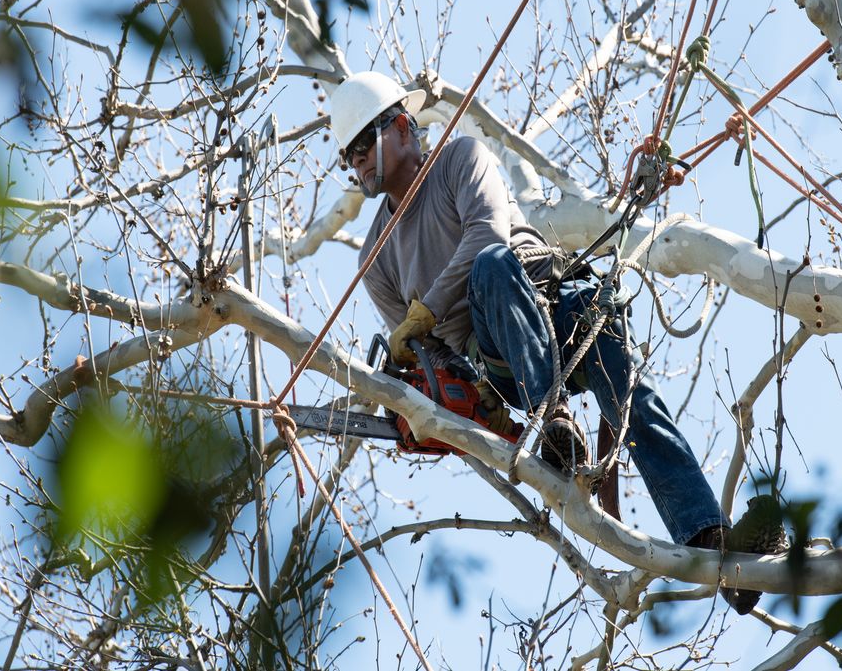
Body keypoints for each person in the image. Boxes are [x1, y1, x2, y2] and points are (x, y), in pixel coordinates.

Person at [329, 71, 777, 614]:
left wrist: (427, 308)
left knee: (634, 403)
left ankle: (716, 548)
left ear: (402, 126)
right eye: (348, 157)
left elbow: (489, 232)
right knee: (490, 277)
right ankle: (554, 419)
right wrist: (448, 401)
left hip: (556, 299)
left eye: (362, 147)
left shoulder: (460, 160)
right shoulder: (375, 256)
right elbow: (429, 352)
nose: (357, 163)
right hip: (497, 356)